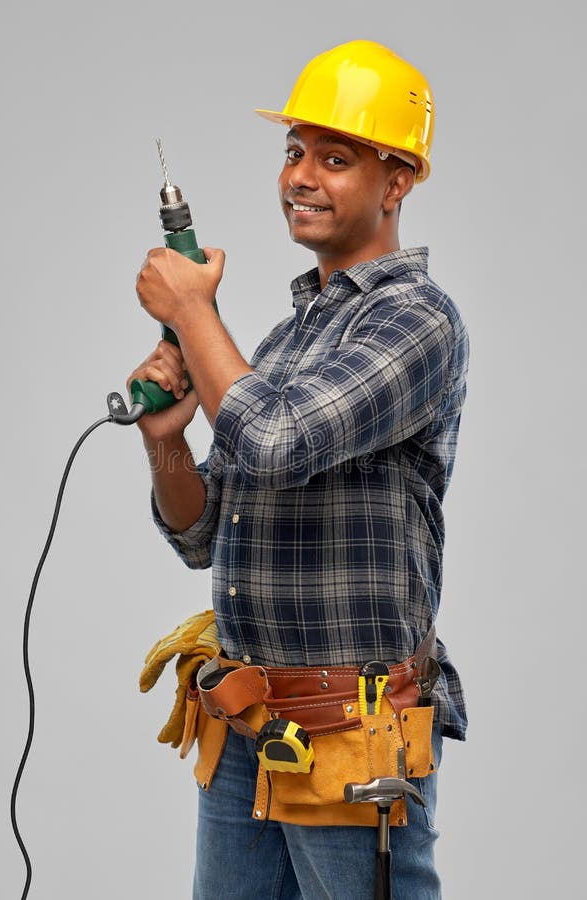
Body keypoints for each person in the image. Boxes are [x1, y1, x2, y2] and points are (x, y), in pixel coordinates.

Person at [130, 40, 469, 900]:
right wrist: (167, 438)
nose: (300, 177)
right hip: (245, 727)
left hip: (350, 738)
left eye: (335, 157)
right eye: (293, 153)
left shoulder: (417, 323)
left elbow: (278, 439)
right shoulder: (282, 341)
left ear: (397, 182)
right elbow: (201, 534)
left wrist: (195, 314)